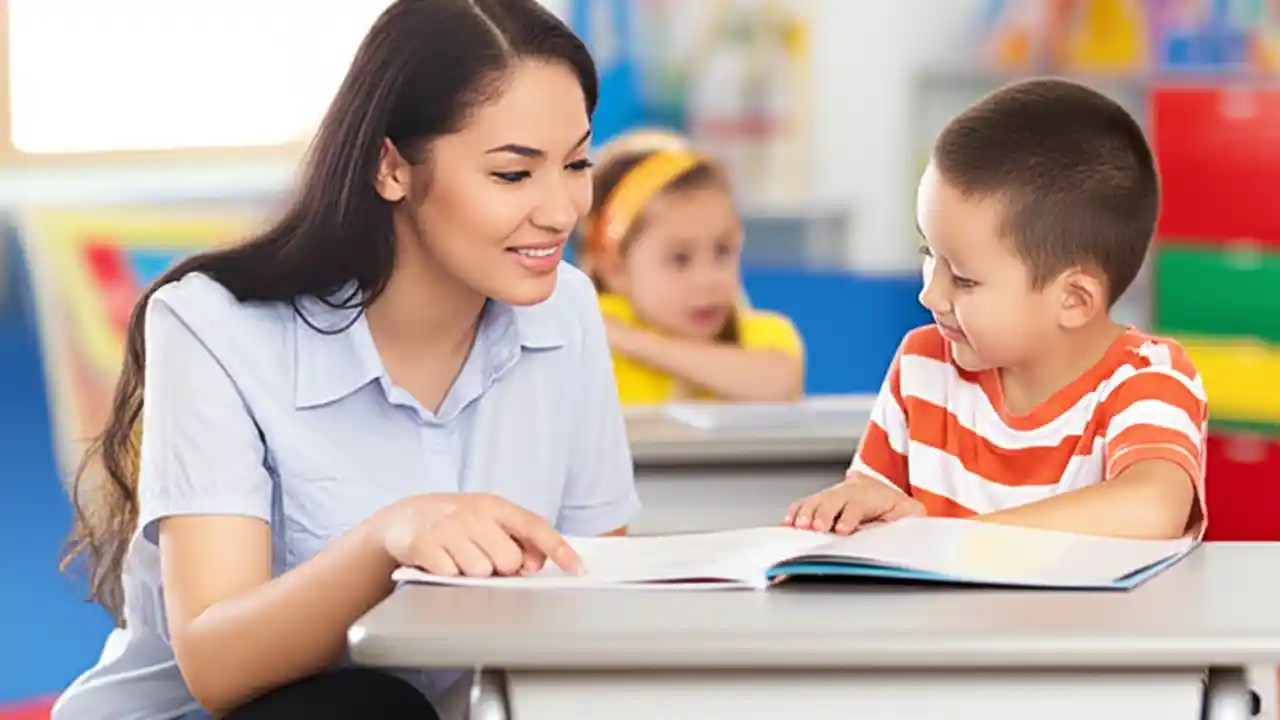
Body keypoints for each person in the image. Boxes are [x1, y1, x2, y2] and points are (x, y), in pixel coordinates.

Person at [53, 1, 638, 718]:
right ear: (391, 167)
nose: (560, 210)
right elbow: (216, 665)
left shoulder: (565, 310)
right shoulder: (214, 325)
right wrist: (387, 542)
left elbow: (591, 594)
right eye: (513, 175)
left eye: (577, 163)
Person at [785, 78, 1207, 541]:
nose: (931, 295)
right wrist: (859, 502)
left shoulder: (1149, 380)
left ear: (1073, 299)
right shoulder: (923, 363)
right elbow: (877, 498)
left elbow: (1151, 508)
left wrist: (953, 538)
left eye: (964, 279)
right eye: (929, 254)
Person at [577, 129, 805, 405]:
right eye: (680, 259)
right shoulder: (586, 332)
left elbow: (778, 385)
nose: (708, 279)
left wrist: (634, 342)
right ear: (615, 270)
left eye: (722, 251)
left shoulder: (757, 335)